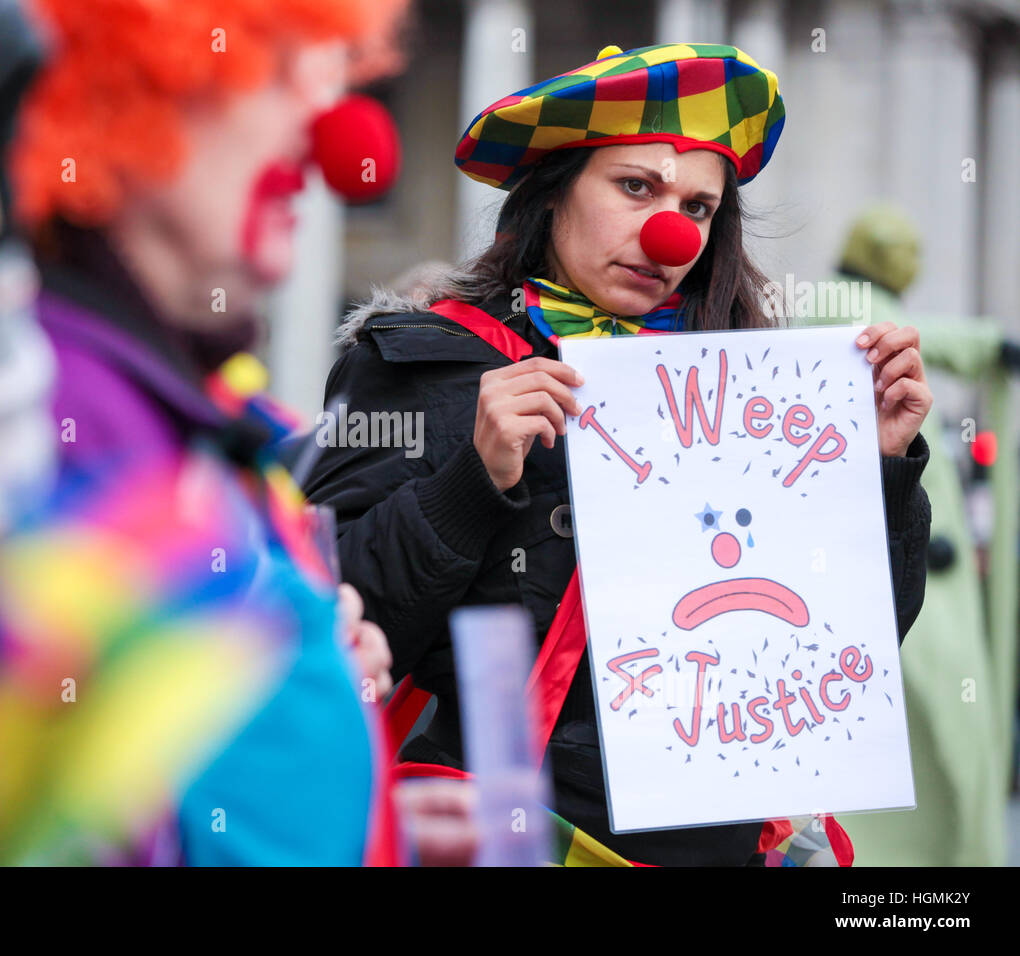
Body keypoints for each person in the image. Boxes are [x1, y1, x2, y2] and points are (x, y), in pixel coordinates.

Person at [0, 0, 478, 866]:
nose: (337, 127)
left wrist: (363, 810)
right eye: (276, 71)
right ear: (127, 93)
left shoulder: (178, 394)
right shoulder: (62, 408)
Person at [305, 42, 934, 866]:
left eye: (700, 209)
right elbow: (332, 631)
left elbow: (849, 652)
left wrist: (880, 472)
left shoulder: (752, 391)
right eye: (636, 186)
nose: (670, 235)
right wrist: (473, 481)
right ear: (556, 189)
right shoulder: (425, 360)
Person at [800, 202, 1019, 864]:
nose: (911, 259)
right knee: (940, 725)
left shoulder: (837, 307)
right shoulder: (845, 308)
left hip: (904, 551)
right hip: (902, 563)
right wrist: (991, 343)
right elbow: (940, 339)